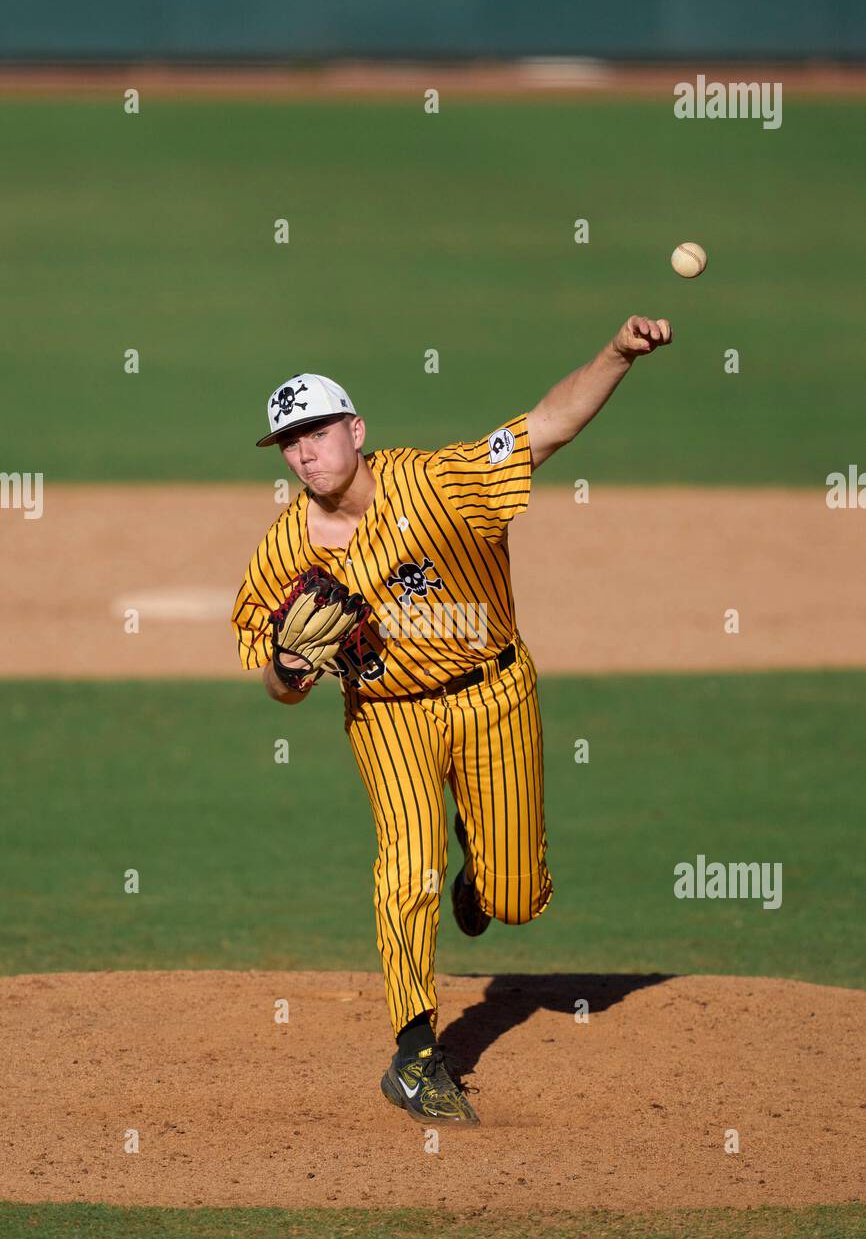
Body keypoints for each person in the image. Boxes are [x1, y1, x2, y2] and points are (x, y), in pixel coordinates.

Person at [230, 315, 673, 1126]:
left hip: (495, 696)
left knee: (516, 896)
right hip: (389, 718)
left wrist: (616, 354)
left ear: (355, 430)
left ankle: (485, 866)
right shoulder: (286, 549)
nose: (303, 452)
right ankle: (414, 1053)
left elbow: (549, 426)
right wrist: (289, 670)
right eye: (288, 441)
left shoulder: (440, 483)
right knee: (406, 866)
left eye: (317, 432)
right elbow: (277, 685)